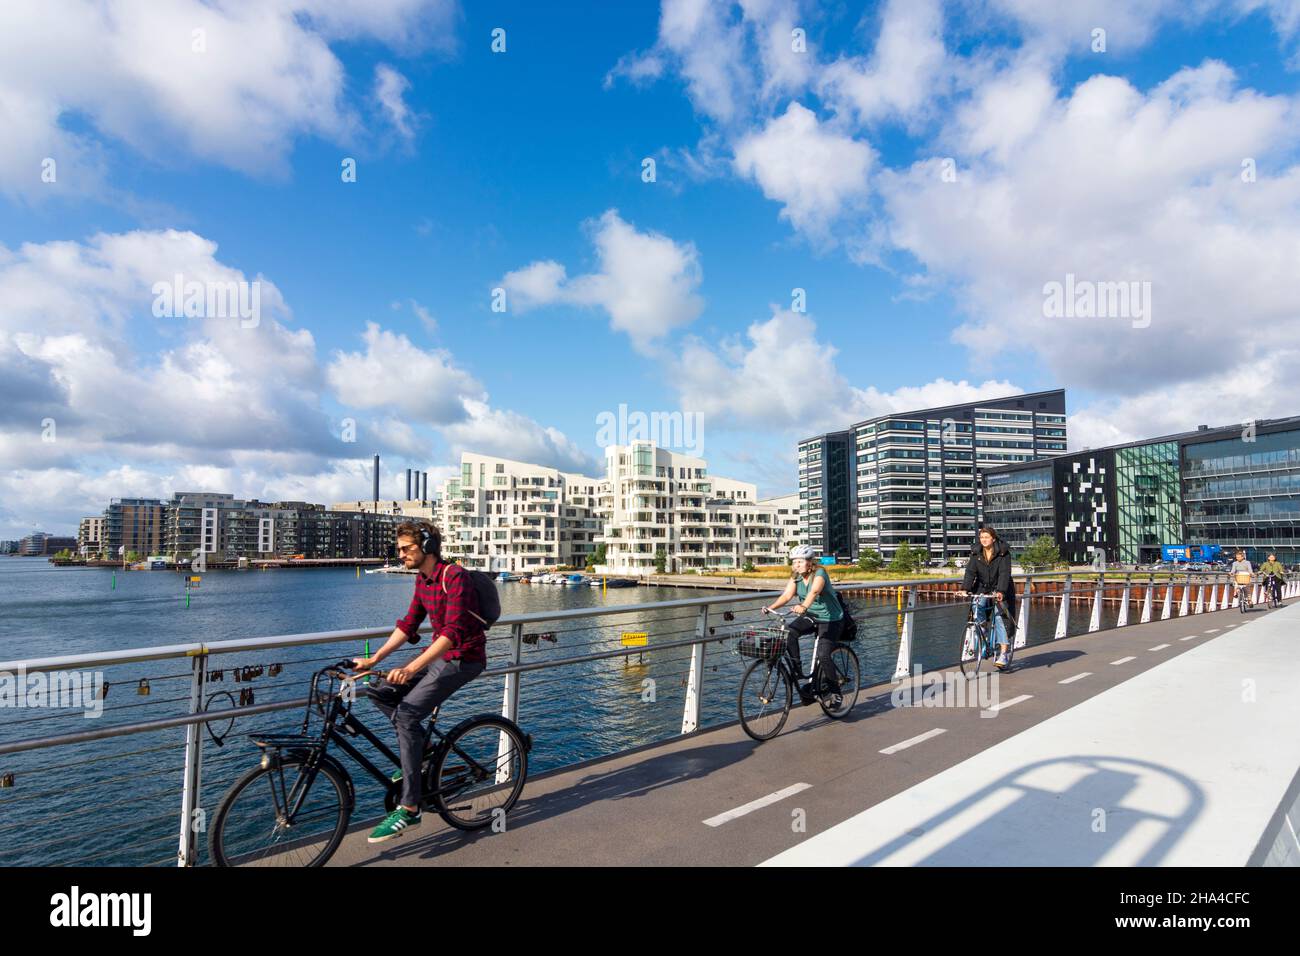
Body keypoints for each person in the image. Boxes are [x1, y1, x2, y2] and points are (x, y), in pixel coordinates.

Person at [353, 521, 487, 844]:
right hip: (439, 656)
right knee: (379, 691)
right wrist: (375, 660)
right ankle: (423, 750)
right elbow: (409, 624)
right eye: (399, 549)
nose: (400, 555)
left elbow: (453, 634)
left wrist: (411, 668)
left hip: (463, 659)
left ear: (426, 547)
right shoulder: (423, 581)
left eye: (405, 549)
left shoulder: (453, 577)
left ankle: (410, 807)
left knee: (409, 714)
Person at [764, 544, 844, 704]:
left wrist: (803, 606)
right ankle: (798, 669)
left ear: (809, 562)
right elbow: (787, 596)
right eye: (794, 562)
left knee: (823, 654)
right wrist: (770, 607)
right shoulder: (796, 576)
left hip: (831, 619)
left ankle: (836, 693)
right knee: (789, 631)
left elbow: (814, 591)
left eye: (799, 562)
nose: (796, 565)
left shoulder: (819, 573)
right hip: (812, 616)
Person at [961, 525, 1016, 670]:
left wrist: (1001, 591)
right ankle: (983, 627)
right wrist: (965, 589)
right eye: (981, 537)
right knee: (976, 605)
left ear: (993, 538)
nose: (984, 540)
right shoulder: (976, 553)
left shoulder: (1003, 553)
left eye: (986, 537)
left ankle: (1003, 653)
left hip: (1001, 588)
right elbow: (970, 572)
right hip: (982, 587)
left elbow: (1005, 573)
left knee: (999, 618)